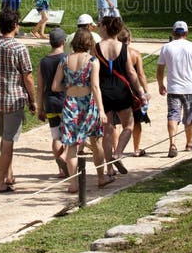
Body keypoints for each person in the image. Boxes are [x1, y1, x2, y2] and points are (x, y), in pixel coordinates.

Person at [0, 8, 36, 193]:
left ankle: (8, 175)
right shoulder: (19, 48)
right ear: (15, 25)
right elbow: (28, 77)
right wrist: (33, 100)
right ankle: (0, 182)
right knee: (9, 140)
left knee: (5, 138)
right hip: (13, 100)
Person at [52, 28, 110, 193]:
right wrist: (102, 111)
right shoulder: (92, 61)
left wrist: (68, 85)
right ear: (89, 43)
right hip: (88, 105)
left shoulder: (64, 60)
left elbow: (55, 86)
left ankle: (73, 183)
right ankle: (100, 177)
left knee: (71, 146)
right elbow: (96, 87)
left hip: (70, 104)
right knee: (96, 141)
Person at [95, 15, 146, 176]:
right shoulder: (123, 48)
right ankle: (118, 153)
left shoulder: (96, 48)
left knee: (107, 131)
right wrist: (141, 92)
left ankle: (109, 168)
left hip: (103, 91)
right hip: (121, 90)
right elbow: (131, 73)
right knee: (129, 125)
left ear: (105, 28)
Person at [156, 20, 192, 158]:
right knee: (190, 116)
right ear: (186, 33)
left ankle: (172, 143)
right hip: (189, 88)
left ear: (173, 33)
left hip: (173, 89)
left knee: (172, 115)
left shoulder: (166, 47)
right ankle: (189, 144)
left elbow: (160, 69)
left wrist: (160, 84)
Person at [36, 26, 68, 178]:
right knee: (70, 135)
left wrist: (39, 108)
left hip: (49, 103)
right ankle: (65, 158)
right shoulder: (67, 58)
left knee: (56, 137)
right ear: (64, 41)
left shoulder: (43, 62)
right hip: (65, 102)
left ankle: (61, 170)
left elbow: (40, 87)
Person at [118, 26, 150, 156]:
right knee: (136, 121)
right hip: (133, 91)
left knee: (115, 122)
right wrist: (146, 91)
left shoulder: (113, 53)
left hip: (117, 89)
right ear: (129, 39)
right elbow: (141, 74)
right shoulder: (135, 53)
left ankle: (116, 149)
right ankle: (136, 149)